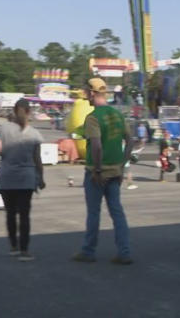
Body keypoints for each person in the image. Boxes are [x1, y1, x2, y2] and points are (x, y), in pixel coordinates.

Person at [72, 78, 133, 265]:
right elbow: (130, 141)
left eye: (86, 92)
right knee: (117, 213)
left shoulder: (93, 117)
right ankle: (124, 252)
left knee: (94, 213)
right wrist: (122, 166)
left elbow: (96, 146)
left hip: (96, 173)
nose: (85, 96)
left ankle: (88, 251)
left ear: (92, 93)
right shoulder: (118, 115)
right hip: (115, 173)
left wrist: (97, 170)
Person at [0, 99, 45, 261]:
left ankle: (13, 246)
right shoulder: (34, 134)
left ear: (14, 111)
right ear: (29, 112)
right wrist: (41, 178)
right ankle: (24, 251)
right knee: (24, 215)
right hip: (26, 177)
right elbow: (37, 160)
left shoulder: (4, 129)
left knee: (10, 213)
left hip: (7, 176)